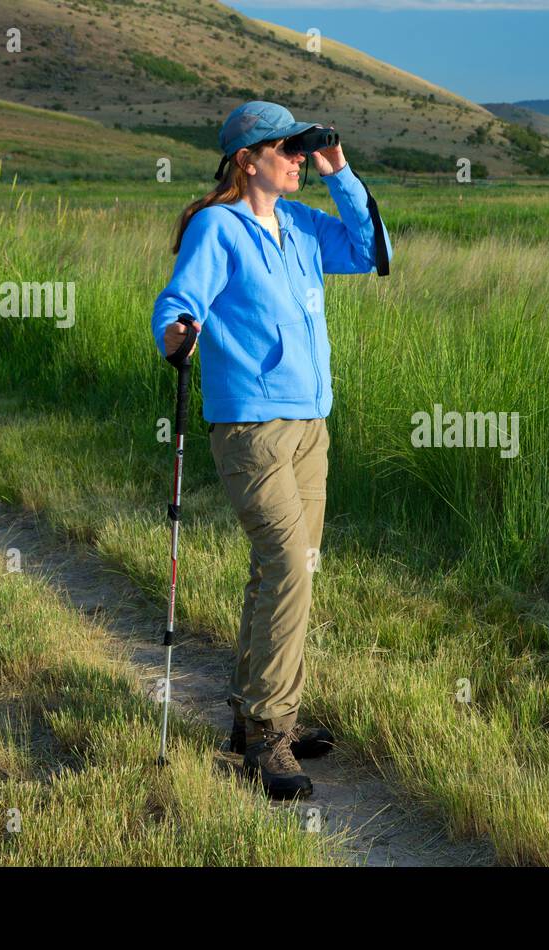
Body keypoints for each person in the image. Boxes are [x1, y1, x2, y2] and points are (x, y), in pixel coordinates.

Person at [151, 101, 392, 799]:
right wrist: (178, 333)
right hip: (251, 428)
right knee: (288, 565)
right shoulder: (216, 227)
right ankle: (268, 735)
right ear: (246, 160)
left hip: (311, 426)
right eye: (286, 148)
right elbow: (176, 302)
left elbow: (375, 249)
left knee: (285, 569)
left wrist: (338, 168)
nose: (297, 158)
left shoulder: (303, 228)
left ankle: (252, 715)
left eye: (301, 148)